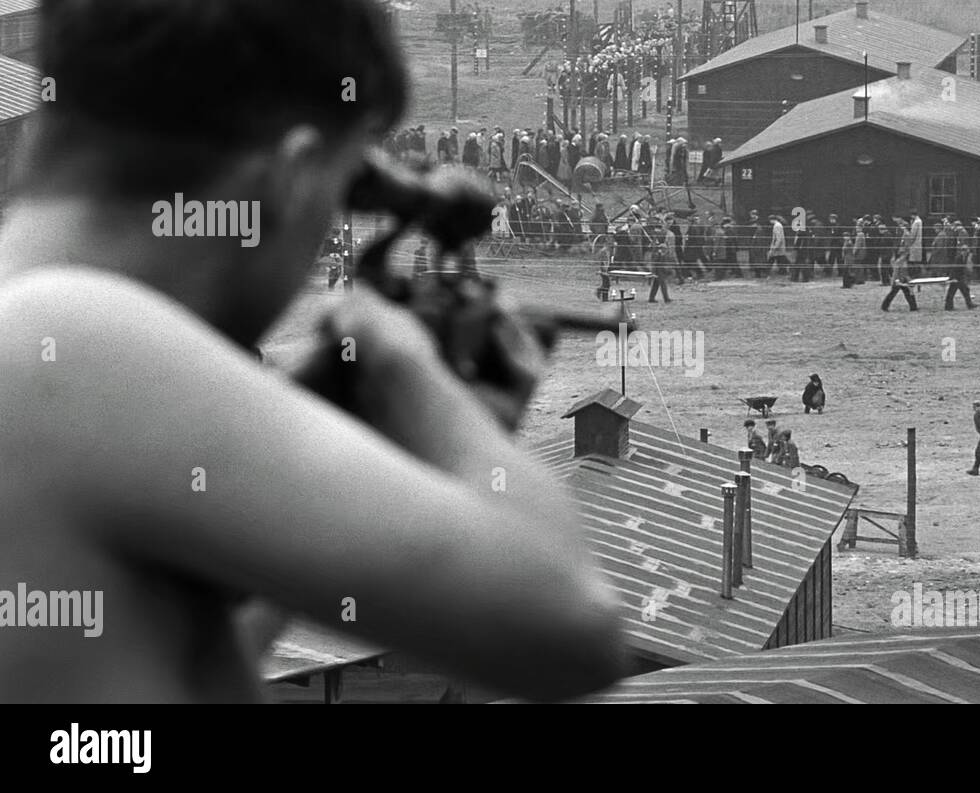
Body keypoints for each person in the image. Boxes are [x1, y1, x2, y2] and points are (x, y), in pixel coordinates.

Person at [0, 0, 625, 703]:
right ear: (292, 176)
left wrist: (376, 432)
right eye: (343, 189)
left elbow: (167, 676)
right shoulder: (74, 334)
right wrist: (413, 376)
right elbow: (575, 628)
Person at [882, 210, 921, 311]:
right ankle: (913, 306)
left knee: (899, 286)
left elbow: (904, 247)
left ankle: (886, 305)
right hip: (901, 261)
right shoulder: (905, 236)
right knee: (903, 287)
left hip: (902, 260)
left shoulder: (906, 236)